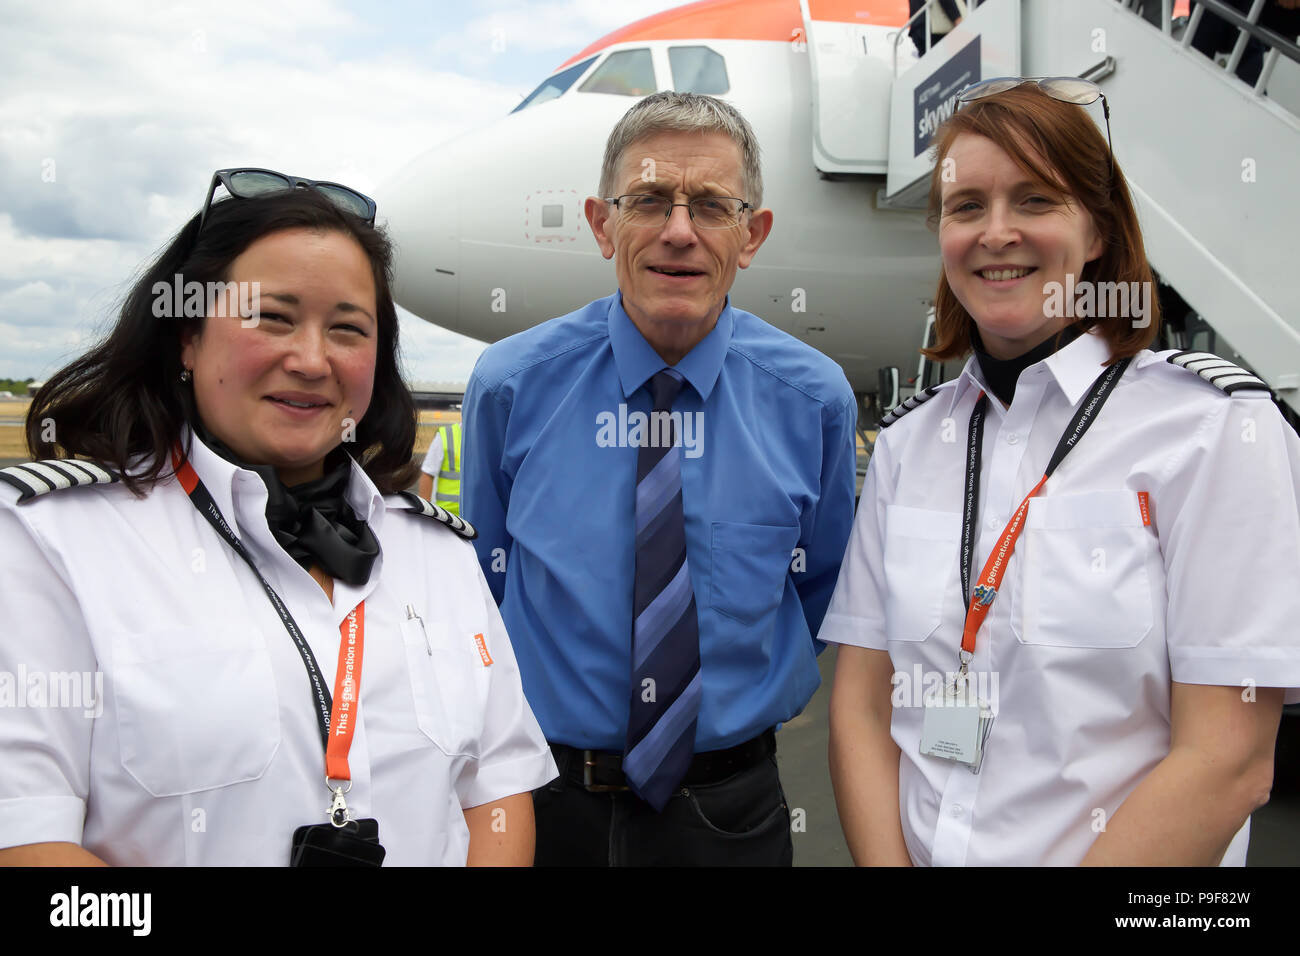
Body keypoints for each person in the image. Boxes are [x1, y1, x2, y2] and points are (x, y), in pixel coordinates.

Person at [0, 169, 556, 866]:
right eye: (272, 317)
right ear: (188, 337)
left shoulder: (438, 553)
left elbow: (497, 795)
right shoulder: (51, 541)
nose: (312, 360)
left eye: (348, 329)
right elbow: (26, 839)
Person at [821, 80, 1300, 866]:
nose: (996, 232)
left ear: (1100, 232)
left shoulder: (1215, 430)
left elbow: (1231, 763)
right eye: (966, 206)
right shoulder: (910, 446)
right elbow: (864, 709)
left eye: (1036, 200)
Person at [461, 91, 858, 866]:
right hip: (543, 805)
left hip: (729, 813)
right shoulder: (510, 387)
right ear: (602, 223)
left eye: (712, 205)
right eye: (648, 200)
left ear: (753, 235)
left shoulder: (814, 403)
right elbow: (482, 585)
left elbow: (818, 587)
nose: (680, 232)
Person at [418, 420, 463, 515]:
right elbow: (427, 473)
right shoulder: (446, 435)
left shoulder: (483, 439)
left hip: (471, 516)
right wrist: (425, 513)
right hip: (445, 516)